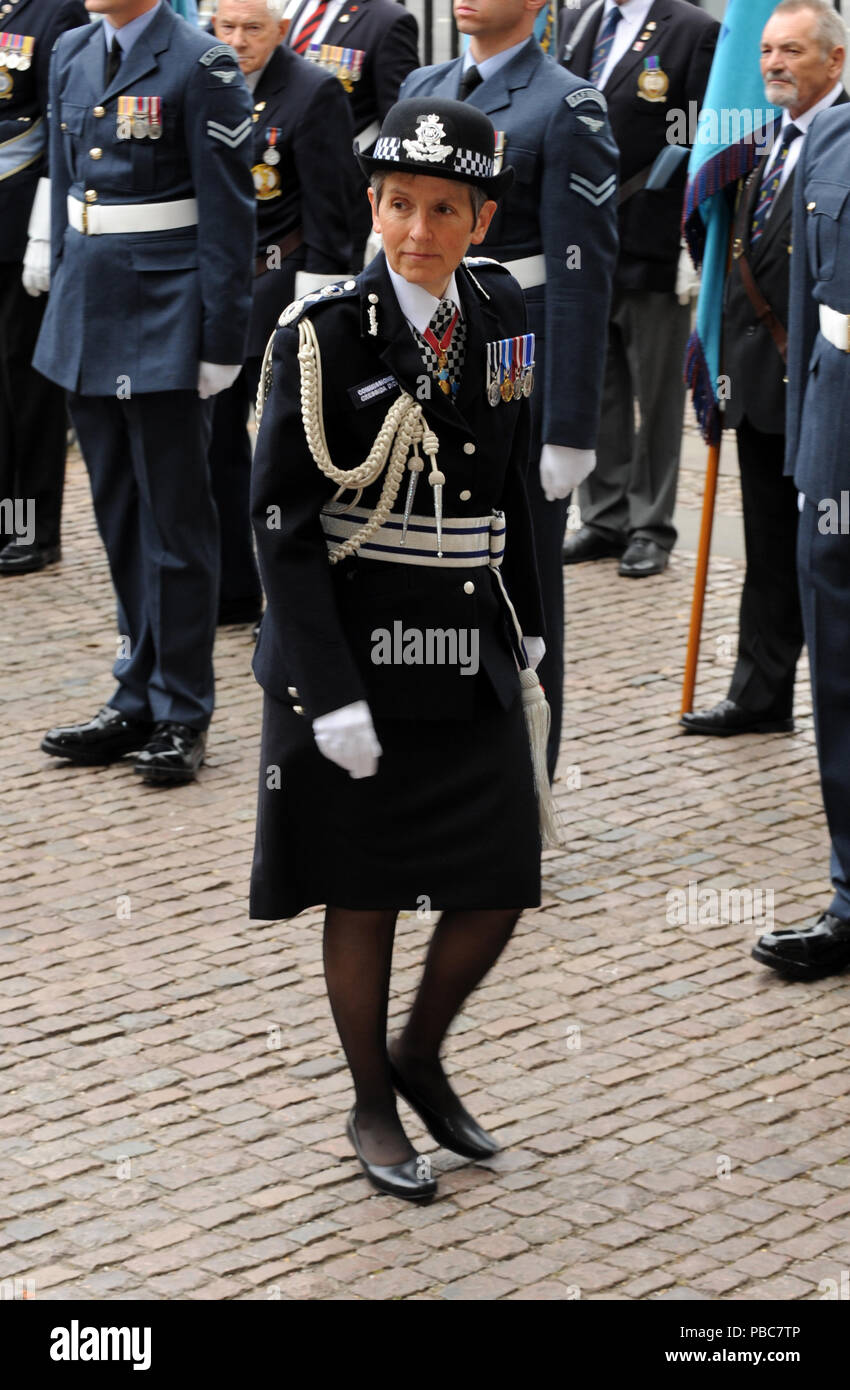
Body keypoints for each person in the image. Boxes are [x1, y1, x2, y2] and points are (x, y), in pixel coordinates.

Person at [249, 97, 549, 1202]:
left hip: (467, 647)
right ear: (370, 206)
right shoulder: (321, 336)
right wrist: (327, 696)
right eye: (396, 206)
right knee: (361, 887)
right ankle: (371, 1099)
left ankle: (419, 1051)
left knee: (497, 879)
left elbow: (514, 491)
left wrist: (536, 646)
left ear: (478, 217)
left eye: (441, 209)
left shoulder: (505, 315)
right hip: (350, 658)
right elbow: (280, 519)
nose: (416, 230)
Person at [34, 0, 255, 783]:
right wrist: (60, 286)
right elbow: (66, 185)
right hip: (88, 309)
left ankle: (183, 712)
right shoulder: (70, 51)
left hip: (166, 312)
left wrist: (222, 340)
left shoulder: (203, 62)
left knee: (176, 523)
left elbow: (232, 213)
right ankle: (135, 696)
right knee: (121, 517)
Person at [401, 0, 619, 780]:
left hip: (513, 371)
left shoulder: (565, 104)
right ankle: (444, 767)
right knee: (426, 569)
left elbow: (581, 269)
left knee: (521, 587)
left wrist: (568, 425)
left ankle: (526, 782)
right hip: (426, 363)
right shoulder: (426, 84)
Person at [683, 0, 846, 738]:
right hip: (759, 384)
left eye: (792, 52)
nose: (774, 63)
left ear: (835, 61)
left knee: (831, 555)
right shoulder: (757, 146)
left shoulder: (844, 146)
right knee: (772, 549)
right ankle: (760, 694)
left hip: (829, 386)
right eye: (768, 50)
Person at [209, 0, 355, 627]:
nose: (239, 41)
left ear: (281, 30)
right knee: (216, 446)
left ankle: (301, 594)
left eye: (253, 29)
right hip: (214, 294)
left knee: (286, 455)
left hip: (279, 294)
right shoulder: (205, 80)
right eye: (227, 28)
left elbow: (335, 210)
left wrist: (317, 305)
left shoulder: (313, 91)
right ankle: (234, 590)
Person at [560, 0, 719, 577]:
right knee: (597, 384)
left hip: (653, 238)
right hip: (586, 240)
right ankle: (603, 516)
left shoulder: (694, 31)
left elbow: (707, 141)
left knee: (655, 396)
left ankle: (650, 526)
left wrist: (691, 241)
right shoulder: (583, 22)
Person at [752, 71, 850, 981]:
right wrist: (807, 452)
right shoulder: (830, 133)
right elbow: (813, 299)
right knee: (841, 670)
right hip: (839, 427)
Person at [0, 0, 89, 576]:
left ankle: (28, 529)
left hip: (18, 226)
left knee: (23, 387)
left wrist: (43, 232)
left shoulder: (56, 12)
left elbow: (63, 129)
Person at [284, 0, 419, 263]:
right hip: (285, 196)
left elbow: (400, 127)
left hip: (343, 200)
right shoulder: (292, 7)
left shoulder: (387, 20)